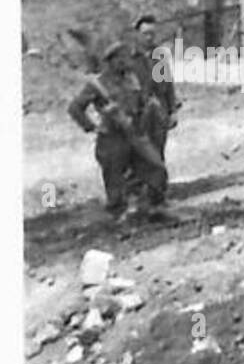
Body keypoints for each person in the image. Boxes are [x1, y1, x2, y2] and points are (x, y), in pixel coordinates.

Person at [68, 40, 169, 218]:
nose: (126, 63)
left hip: (134, 133)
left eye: (127, 59)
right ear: (111, 61)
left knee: (155, 167)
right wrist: (92, 127)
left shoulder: (132, 79)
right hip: (112, 138)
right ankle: (117, 216)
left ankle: (148, 205)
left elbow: (141, 102)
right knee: (114, 178)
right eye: (121, 59)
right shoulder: (98, 84)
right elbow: (75, 108)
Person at [129, 15, 180, 162]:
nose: (149, 38)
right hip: (138, 111)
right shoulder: (128, 58)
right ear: (137, 34)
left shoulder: (159, 56)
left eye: (152, 34)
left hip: (159, 109)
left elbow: (168, 84)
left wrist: (173, 111)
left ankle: (158, 183)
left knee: (158, 147)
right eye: (145, 34)